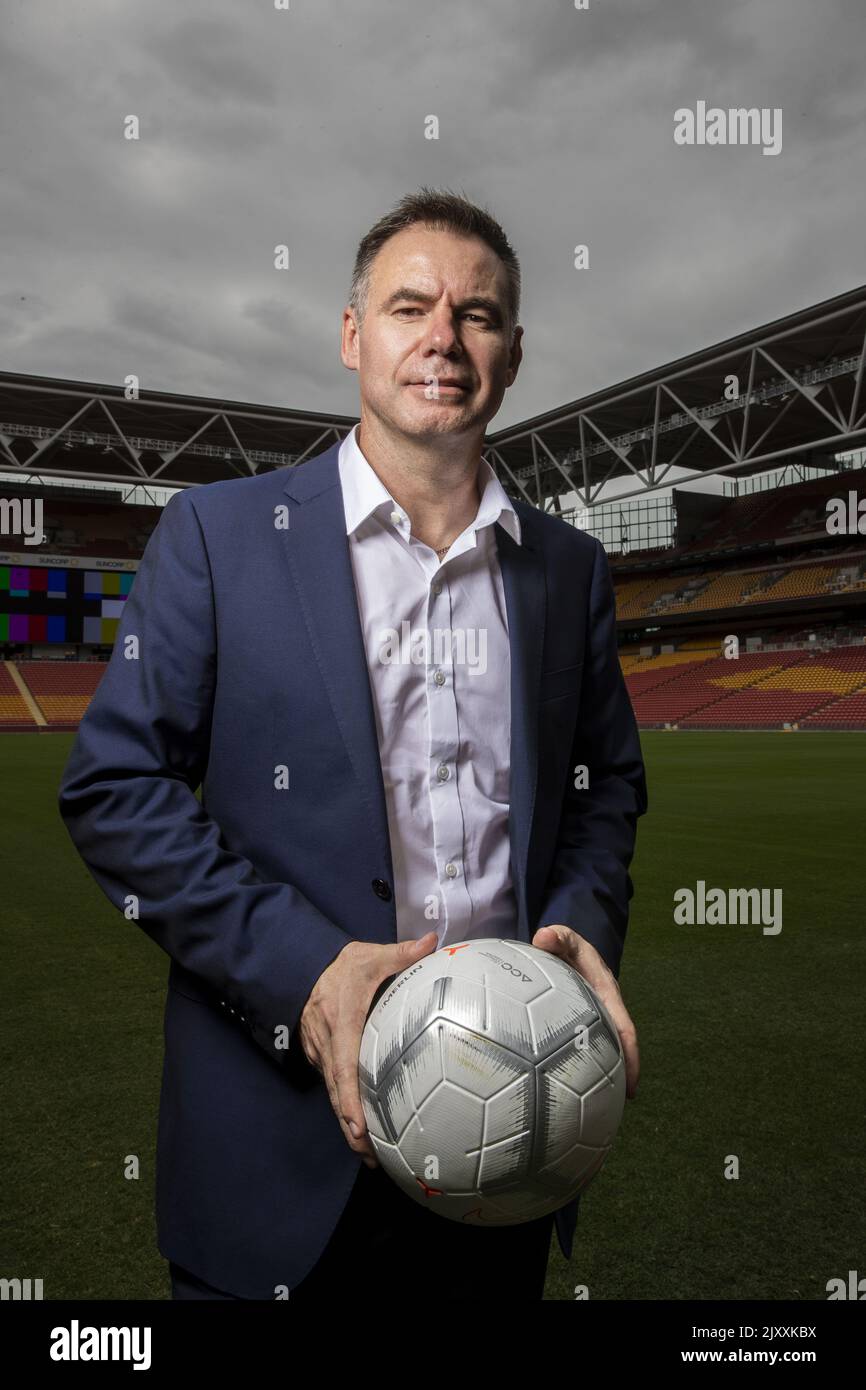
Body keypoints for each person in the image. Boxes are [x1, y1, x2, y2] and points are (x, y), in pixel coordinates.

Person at [57, 186, 648, 1301]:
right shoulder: (217, 537)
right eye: (407, 306)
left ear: (511, 355)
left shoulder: (566, 570)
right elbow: (115, 789)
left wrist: (572, 929)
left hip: (504, 1140)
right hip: (272, 1147)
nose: (441, 338)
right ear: (350, 336)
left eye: (475, 316)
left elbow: (604, 782)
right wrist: (309, 972)